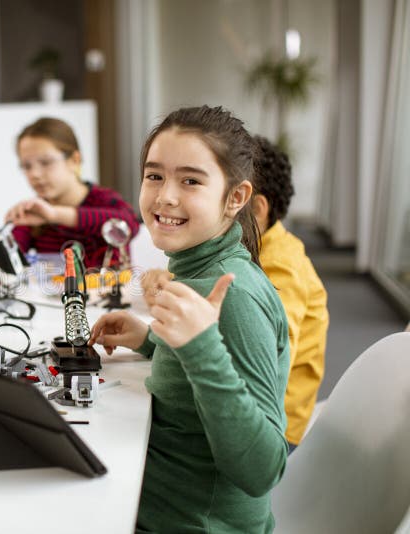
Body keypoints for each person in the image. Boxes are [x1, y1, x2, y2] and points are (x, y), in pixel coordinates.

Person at [90, 106, 290, 533]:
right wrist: (151, 340)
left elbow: (264, 469)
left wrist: (200, 348)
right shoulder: (195, 270)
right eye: (154, 175)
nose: (164, 196)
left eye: (191, 181)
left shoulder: (234, 297)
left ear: (236, 198)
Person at [251, 135, 329, 451]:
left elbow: (270, 362)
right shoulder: (253, 247)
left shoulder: (282, 266)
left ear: (256, 208)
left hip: (277, 431)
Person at [4, 117, 139, 269]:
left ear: (74, 160)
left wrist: (55, 215)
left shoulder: (105, 200)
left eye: (45, 162)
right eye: (27, 166)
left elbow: (129, 226)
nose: (35, 174)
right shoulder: (35, 212)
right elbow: (10, 258)